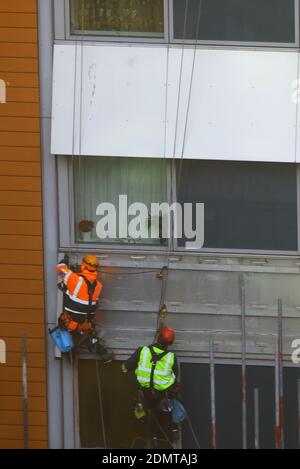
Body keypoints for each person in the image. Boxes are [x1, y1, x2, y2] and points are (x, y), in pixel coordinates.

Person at [122, 326, 179, 447]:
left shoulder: (143, 351)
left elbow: (125, 368)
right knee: (163, 432)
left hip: (144, 398)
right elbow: (174, 378)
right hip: (163, 399)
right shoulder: (171, 358)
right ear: (171, 343)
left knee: (141, 429)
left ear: (158, 337)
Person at [56, 254, 113, 363]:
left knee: (63, 324)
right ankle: (101, 351)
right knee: (87, 333)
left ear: (83, 266)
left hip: (72, 319)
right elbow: (84, 292)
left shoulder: (74, 279)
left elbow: (59, 269)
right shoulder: (98, 285)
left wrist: (65, 261)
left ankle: (69, 353)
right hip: (87, 320)